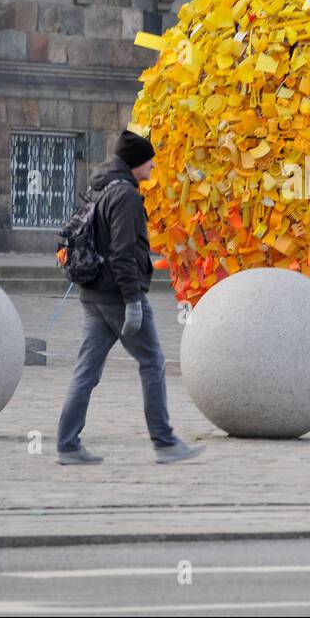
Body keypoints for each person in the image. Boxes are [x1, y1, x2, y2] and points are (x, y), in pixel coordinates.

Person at [56, 130, 205, 465]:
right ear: (136, 161)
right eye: (149, 159)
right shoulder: (124, 195)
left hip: (93, 293)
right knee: (152, 363)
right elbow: (123, 252)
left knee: (86, 371)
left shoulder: (102, 187)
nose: (154, 164)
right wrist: (133, 301)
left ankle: (67, 445)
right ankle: (165, 442)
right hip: (118, 297)